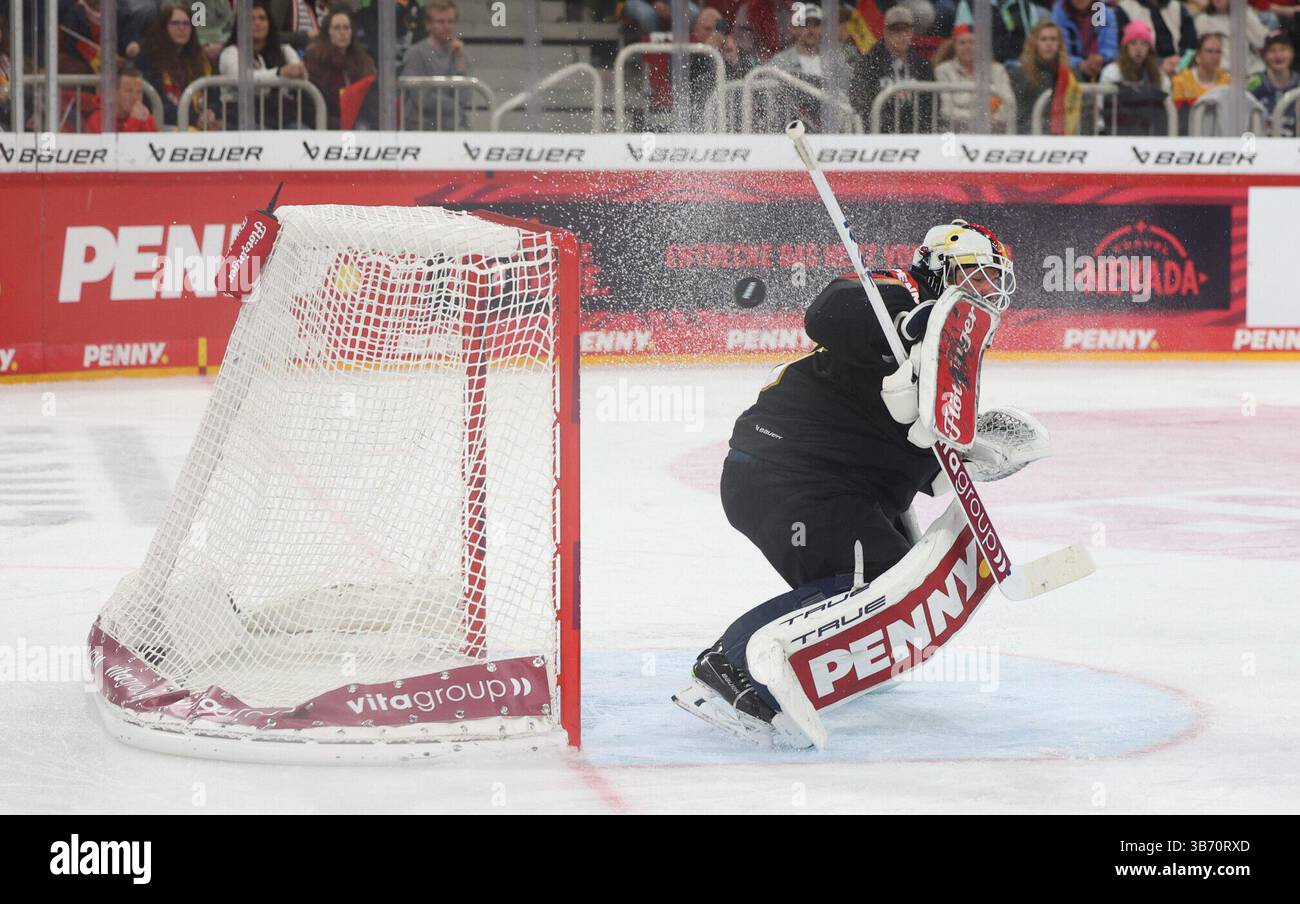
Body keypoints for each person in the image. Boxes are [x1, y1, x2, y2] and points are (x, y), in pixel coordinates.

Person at [674, 220, 1019, 744]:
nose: (989, 293)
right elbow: (829, 312)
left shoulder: (949, 353)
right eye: (976, 276)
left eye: (995, 281)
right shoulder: (897, 294)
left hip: (820, 480)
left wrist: (971, 454)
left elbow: (908, 455)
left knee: (896, 574)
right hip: (786, 473)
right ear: (939, 269)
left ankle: (835, 656)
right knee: (874, 580)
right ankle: (731, 666)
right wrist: (908, 322)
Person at [218, 0, 309, 127]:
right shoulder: (230, 53)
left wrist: (299, 72)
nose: (257, 23)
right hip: (240, 119)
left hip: (282, 117)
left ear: (269, 23)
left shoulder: (285, 50)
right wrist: (280, 73)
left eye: (262, 18)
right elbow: (242, 79)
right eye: (251, 19)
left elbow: (301, 76)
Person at [767, 2, 854, 130]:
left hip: (832, 129)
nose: (810, 30)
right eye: (805, 25)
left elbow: (849, 91)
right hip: (791, 128)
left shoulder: (837, 60)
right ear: (794, 28)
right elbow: (768, 95)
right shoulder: (780, 61)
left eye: (816, 25)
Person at [850, 4, 935, 133]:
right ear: (885, 32)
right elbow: (860, 99)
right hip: (879, 132)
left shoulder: (922, 65)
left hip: (915, 134)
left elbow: (931, 102)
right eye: (895, 30)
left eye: (905, 30)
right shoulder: (870, 63)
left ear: (911, 32)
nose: (901, 36)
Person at [137, 3, 218, 129]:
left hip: (199, 125)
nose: (182, 28)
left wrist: (211, 113)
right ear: (164, 27)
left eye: (186, 24)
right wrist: (195, 119)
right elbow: (155, 103)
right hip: (165, 127)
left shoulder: (201, 59)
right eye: (175, 23)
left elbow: (214, 97)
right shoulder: (148, 57)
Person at [400, 0, 470, 130]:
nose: (446, 26)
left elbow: (464, 98)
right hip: (420, 127)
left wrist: (460, 60)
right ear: (428, 25)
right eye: (440, 22)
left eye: (450, 21)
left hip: (454, 126)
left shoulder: (460, 54)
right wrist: (454, 107)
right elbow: (422, 98)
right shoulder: (415, 53)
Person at [305, 5, 377, 129]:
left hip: (358, 120)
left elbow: (370, 96)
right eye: (337, 28)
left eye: (346, 28)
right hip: (326, 122)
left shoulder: (363, 60)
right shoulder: (315, 59)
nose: (342, 32)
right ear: (328, 32)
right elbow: (314, 101)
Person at [933, 23, 1014, 131]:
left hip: (993, 132)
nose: (967, 47)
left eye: (972, 42)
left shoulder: (997, 70)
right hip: (956, 133)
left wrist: (992, 120)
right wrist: (980, 119)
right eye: (962, 43)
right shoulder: (943, 70)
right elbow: (946, 111)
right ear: (954, 46)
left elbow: (1009, 104)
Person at [1098, 18, 1170, 135]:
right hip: (1116, 134)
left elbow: (1167, 110)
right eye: (1133, 43)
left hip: (1149, 136)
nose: (1138, 48)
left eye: (1144, 44)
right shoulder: (1112, 72)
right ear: (1125, 48)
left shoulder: (1161, 77)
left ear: (1149, 49)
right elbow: (1099, 105)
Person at [1010, 17, 1080, 133]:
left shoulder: (1071, 74)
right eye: (1043, 39)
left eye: (1053, 39)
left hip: (1066, 139)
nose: (1049, 44)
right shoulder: (1020, 75)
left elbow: (1083, 110)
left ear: (1059, 44)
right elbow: (1020, 116)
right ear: (1034, 43)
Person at [1112, 0, 1197, 78]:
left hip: (1180, 65)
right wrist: (1160, 63)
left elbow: (1190, 44)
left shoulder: (1177, 7)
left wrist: (1180, 62)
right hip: (1144, 67)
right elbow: (1124, 48)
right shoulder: (1124, 9)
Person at [1194, 0, 1269, 75]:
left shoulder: (1245, 14)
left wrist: (1245, 14)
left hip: (1252, 68)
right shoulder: (1203, 19)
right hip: (1223, 71)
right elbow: (1205, 55)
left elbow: (1262, 42)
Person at [1051, 0, 1117, 81]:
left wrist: (1100, 58)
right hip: (1071, 68)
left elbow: (1111, 47)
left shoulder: (1104, 12)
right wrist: (1079, 64)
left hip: (1101, 66)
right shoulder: (1059, 13)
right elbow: (1060, 50)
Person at [1249, 31, 1300, 135]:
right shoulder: (1255, 82)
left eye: (1283, 49)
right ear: (1265, 55)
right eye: (1272, 50)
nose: (1278, 55)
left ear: (1292, 53)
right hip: (1261, 146)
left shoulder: (1299, 82)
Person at [83, 67, 160, 132]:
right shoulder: (98, 120)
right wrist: (134, 122)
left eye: (139, 92)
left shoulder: (147, 118)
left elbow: (154, 146)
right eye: (129, 91)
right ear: (115, 93)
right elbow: (118, 149)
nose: (135, 97)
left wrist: (143, 123)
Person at [1171, 31, 1230, 111]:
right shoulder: (1180, 81)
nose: (1215, 57)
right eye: (1209, 51)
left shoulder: (1227, 81)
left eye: (1218, 52)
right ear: (1198, 56)